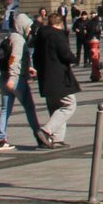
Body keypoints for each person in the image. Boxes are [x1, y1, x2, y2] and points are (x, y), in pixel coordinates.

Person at [0, 13, 44, 151]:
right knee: (29, 107)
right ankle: (40, 136)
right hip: (15, 79)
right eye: (28, 27)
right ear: (22, 26)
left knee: (5, 109)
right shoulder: (19, 40)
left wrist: (27, 68)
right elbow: (14, 59)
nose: (30, 30)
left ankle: (1, 139)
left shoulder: (9, 37)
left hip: (4, 76)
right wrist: (13, 77)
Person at [33, 11, 80, 147]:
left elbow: (35, 57)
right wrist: (73, 58)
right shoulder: (57, 35)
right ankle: (46, 131)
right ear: (60, 23)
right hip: (59, 77)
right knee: (69, 105)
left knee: (55, 107)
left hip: (45, 76)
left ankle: (57, 139)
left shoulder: (41, 35)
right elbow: (65, 54)